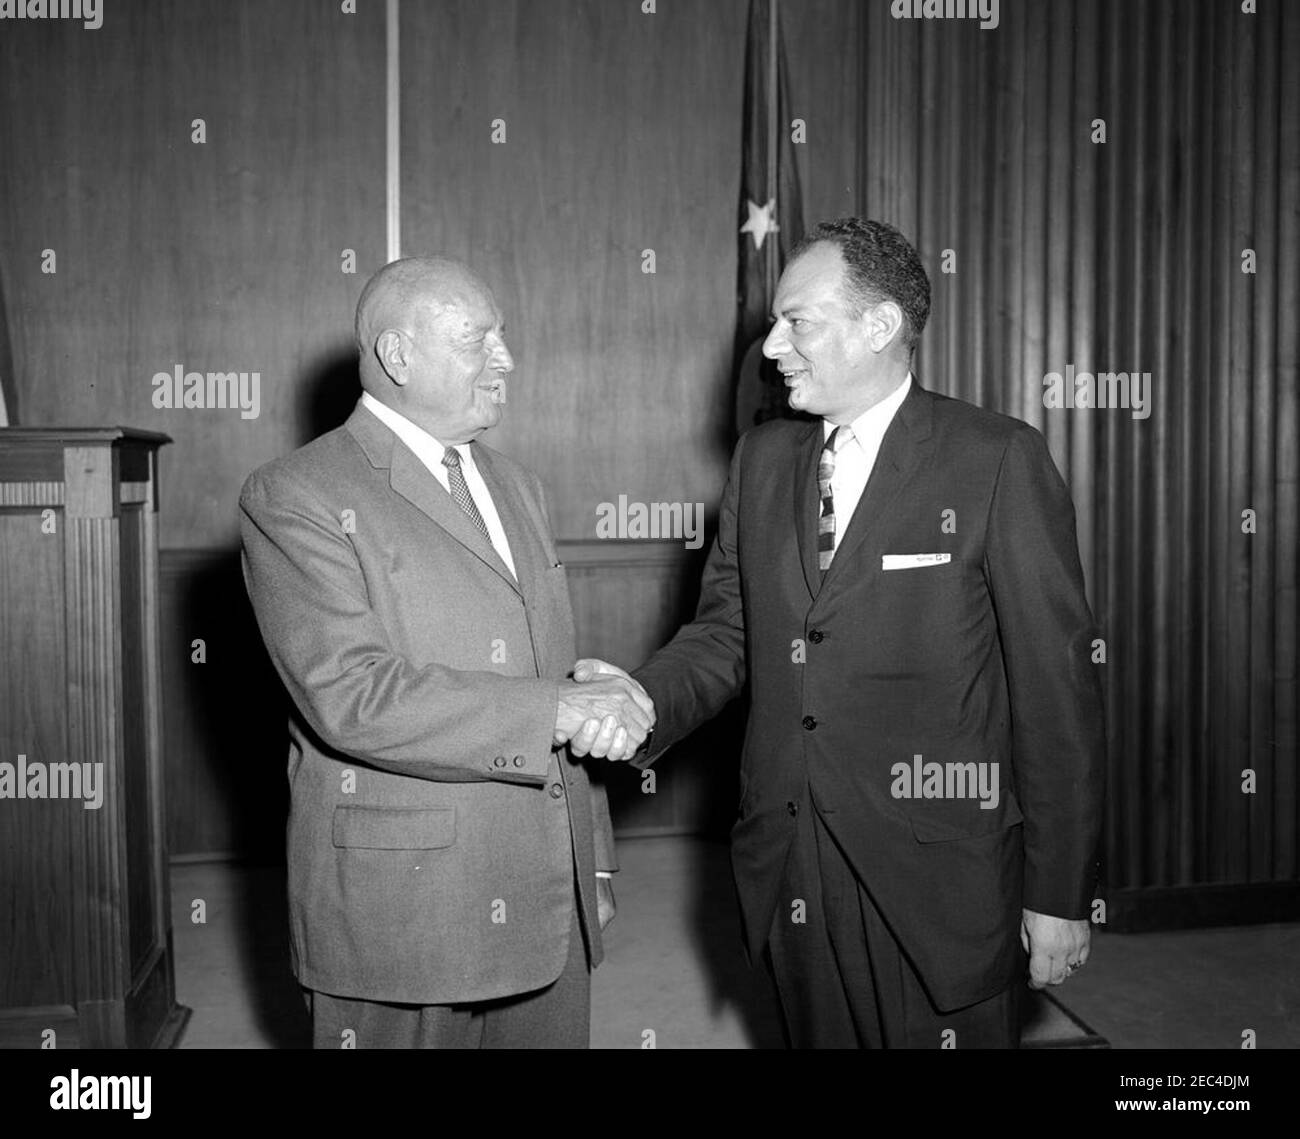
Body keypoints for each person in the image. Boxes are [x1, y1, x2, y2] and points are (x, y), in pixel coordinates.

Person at [574, 218, 1106, 1048]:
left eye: (799, 322)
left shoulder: (995, 459)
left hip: (938, 874)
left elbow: (1057, 692)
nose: (771, 346)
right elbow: (730, 632)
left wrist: (1060, 890)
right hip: (792, 860)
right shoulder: (763, 459)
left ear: (879, 325)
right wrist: (642, 696)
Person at [239, 256, 653, 1048]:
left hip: (547, 896)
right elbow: (352, 696)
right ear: (397, 356)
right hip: (409, 914)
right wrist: (562, 707)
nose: (506, 359)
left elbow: (547, 674)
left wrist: (590, 855)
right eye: (478, 340)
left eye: (503, 335)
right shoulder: (297, 493)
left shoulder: (516, 483)